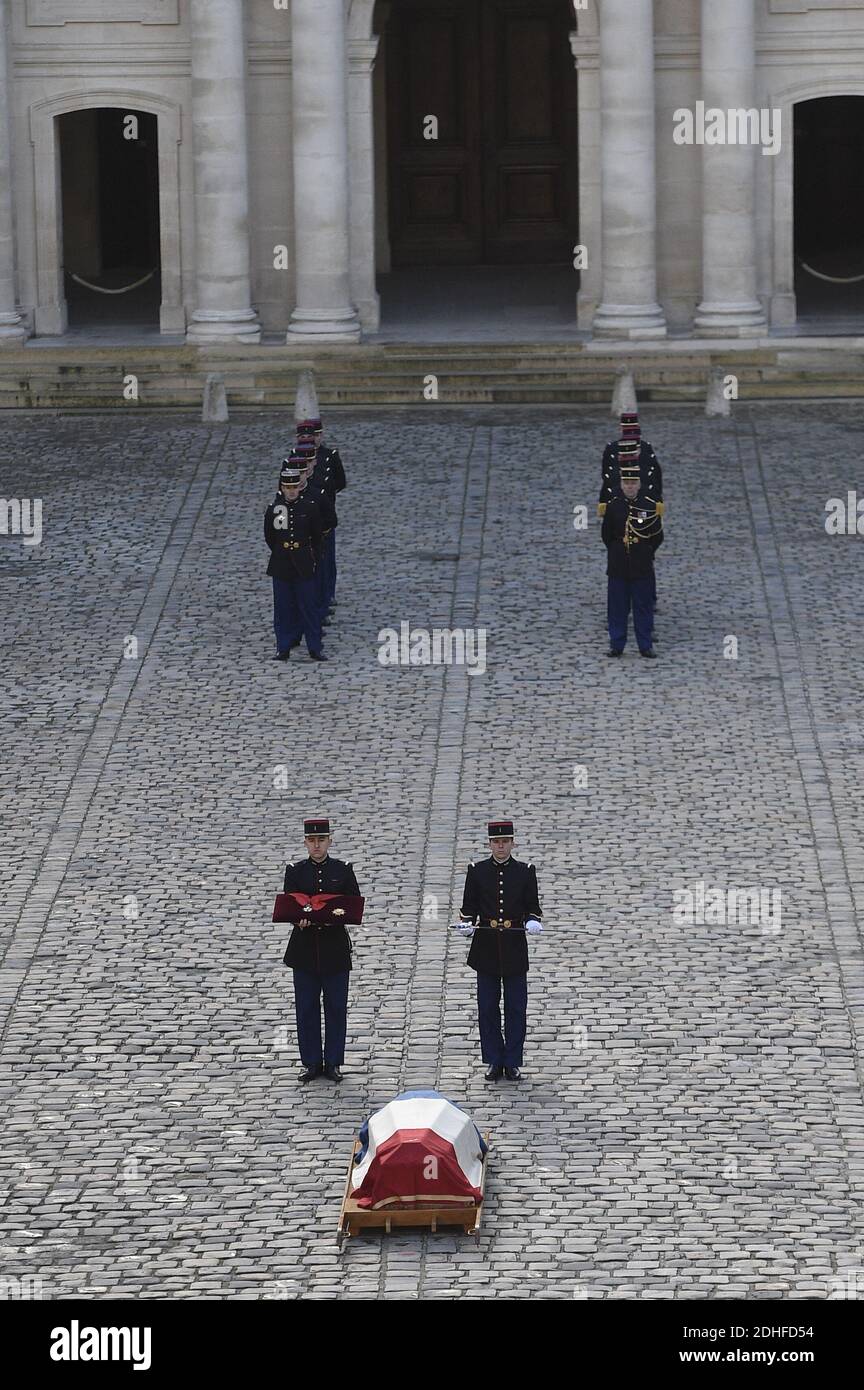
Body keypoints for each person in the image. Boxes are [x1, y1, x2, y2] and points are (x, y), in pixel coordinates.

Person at [458, 819, 543, 1082]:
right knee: (487, 1007)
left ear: (512, 843)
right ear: (490, 844)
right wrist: (467, 926)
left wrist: (532, 921)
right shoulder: (477, 871)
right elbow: (469, 908)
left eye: (505, 842)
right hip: (486, 947)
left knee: (516, 1007)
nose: (501, 846)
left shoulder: (525, 871)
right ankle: (494, 1060)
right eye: (496, 842)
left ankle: (513, 1061)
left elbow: (533, 906)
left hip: (515, 947)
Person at [282, 818, 361, 1083]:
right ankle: (312, 1062)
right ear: (305, 842)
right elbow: (289, 904)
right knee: (306, 1008)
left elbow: (353, 905)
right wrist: (298, 919)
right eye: (312, 841)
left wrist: (335, 916)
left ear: (330, 841)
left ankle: (334, 1062)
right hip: (304, 949)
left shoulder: (343, 869)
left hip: (334, 947)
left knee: (335, 1007)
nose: (316, 845)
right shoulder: (295, 871)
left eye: (321, 840)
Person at [601, 441, 663, 658]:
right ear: (622, 484)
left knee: (643, 606)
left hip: (641, 563)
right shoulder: (613, 505)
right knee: (617, 607)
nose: (629, 486)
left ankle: (645, 645)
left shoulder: (648, 505)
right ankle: (617, 644)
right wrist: (618, 549)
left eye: (633, 482)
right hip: (618, 563)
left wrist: (645, 551)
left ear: (639, 484)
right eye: (626, 482)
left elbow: (657, 535)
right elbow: (606, 535)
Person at [599, 410, 664, 612]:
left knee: (645, 557)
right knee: (618, 560)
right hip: (618, 505)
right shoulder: (612, 449)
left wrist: (655, 505)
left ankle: (647, 599)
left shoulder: (646, 450)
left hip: (643, 505)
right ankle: (620, 606)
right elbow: (607, 477)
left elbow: (655, 479)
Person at [264, 461, 325, 662]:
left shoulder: (310, 507)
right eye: (287, 488)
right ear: (282, 488)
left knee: (309, 606)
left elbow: (317, 537)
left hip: (304, 563)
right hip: (282, 564)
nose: (291, 492)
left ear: (300, 487)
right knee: (283, 608)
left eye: (294, 487)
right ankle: (283, 647)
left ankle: (314, 647)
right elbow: (271, 537)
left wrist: (313, 558)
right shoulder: (275, 509)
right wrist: (282, 551)